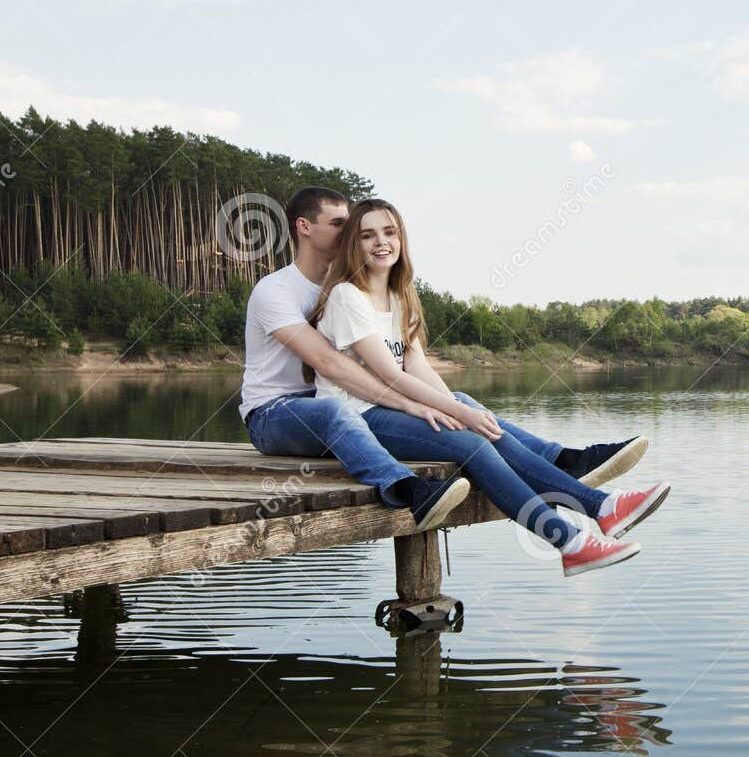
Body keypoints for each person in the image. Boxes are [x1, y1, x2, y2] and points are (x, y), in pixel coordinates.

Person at [240, 186, 649, 538]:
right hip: (276, 413)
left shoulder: (358, 286)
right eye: (340, 224)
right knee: (342, 411)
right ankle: (406, 488)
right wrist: (413, 405)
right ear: (304, 227)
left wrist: (451, 406)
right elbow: (330, 365)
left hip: (343, 407)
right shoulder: (279, 291)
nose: (351, 232)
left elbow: (406, 362)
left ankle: (560, 462)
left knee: (461, 401)